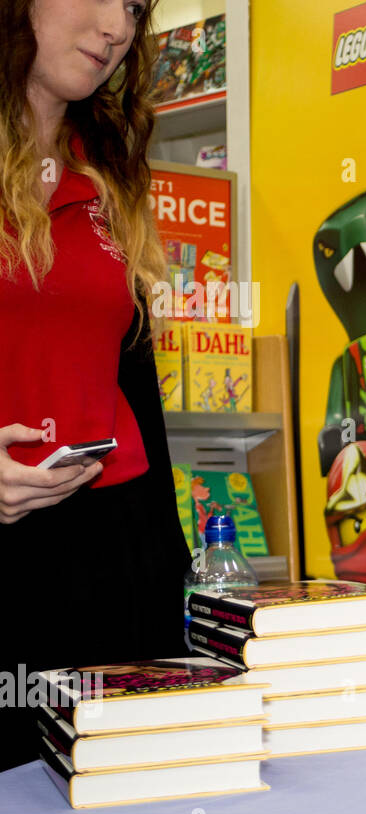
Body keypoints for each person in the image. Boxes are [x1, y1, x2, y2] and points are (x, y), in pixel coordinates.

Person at [0, 0, 189, 772]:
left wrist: (169, 566)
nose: (118, 26)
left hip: (112, 548)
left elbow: (133, 377)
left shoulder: (105, 169)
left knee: (116, 807)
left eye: (137, 8)